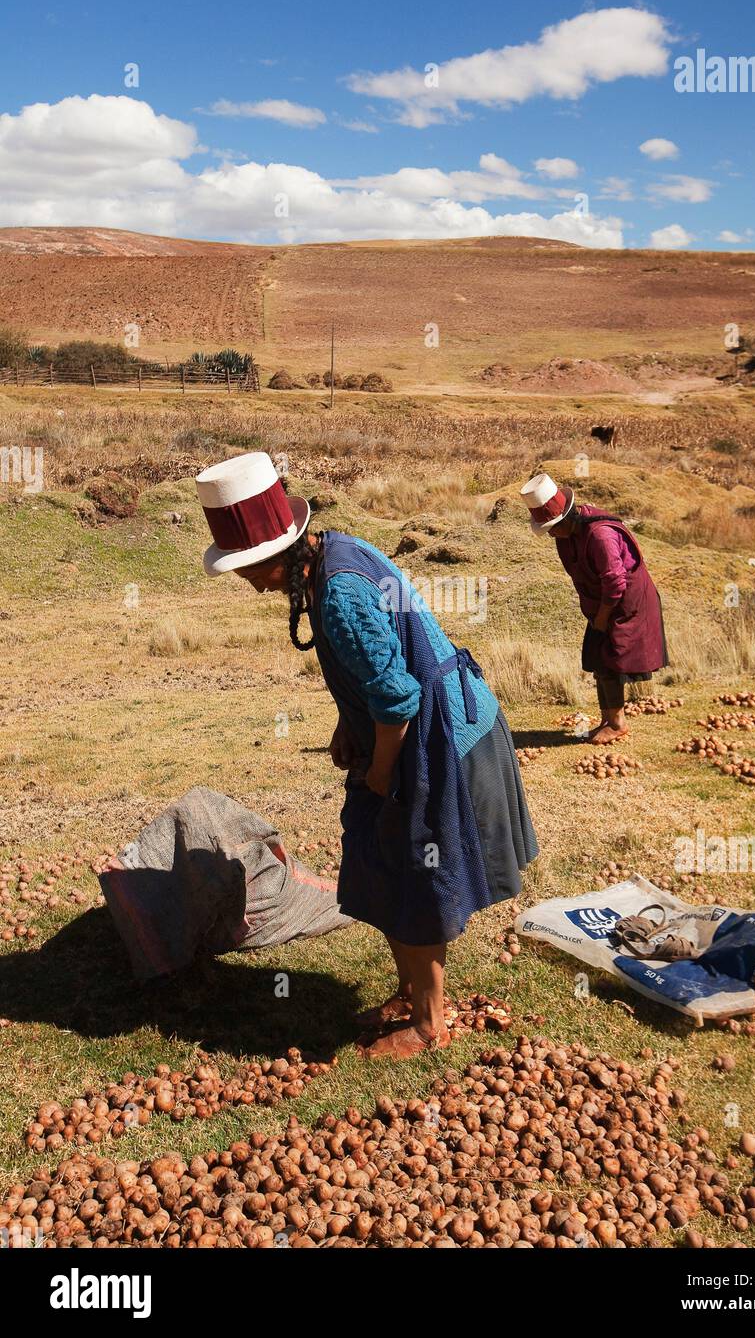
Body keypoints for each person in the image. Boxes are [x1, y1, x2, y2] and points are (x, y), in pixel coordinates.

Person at [195, 452, 538, 1060]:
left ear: (277, 556)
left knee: (416, 871)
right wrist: (347, 729)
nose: (245, 580)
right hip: (408, 724)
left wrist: (380, 774)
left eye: (246, 567)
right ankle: (410, 993)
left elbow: (398, 699)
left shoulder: (339, 596)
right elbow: (374, 677)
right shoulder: (333, 552)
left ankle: (431, 1023)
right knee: (384, 864)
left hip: (437, 737)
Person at [520, 472, 668, 744]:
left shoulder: (600, 536)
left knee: (612, 658)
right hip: (603, 604)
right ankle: (608, 720)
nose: (550, 532)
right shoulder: (567, 536)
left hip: (625, 601)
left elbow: (615, 582)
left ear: (566, 518)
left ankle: (617, 723)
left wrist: (602, 617)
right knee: (599, 658)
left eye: (552, 526)